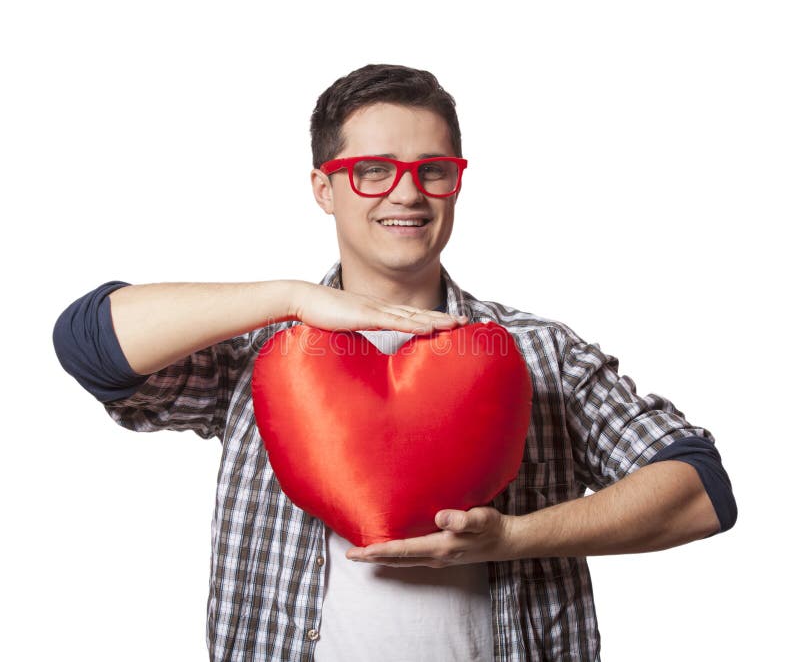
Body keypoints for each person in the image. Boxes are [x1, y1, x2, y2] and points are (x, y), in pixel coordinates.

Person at [53, 64, 736, 661]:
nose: (406, 194)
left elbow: (701, 490)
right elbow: (90, 343)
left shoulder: (539, 352)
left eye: (431, 170)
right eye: (372, 170)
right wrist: (294, 298)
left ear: (455, 183)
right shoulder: (263, 349)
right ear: (324, 187)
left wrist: (511, 538)